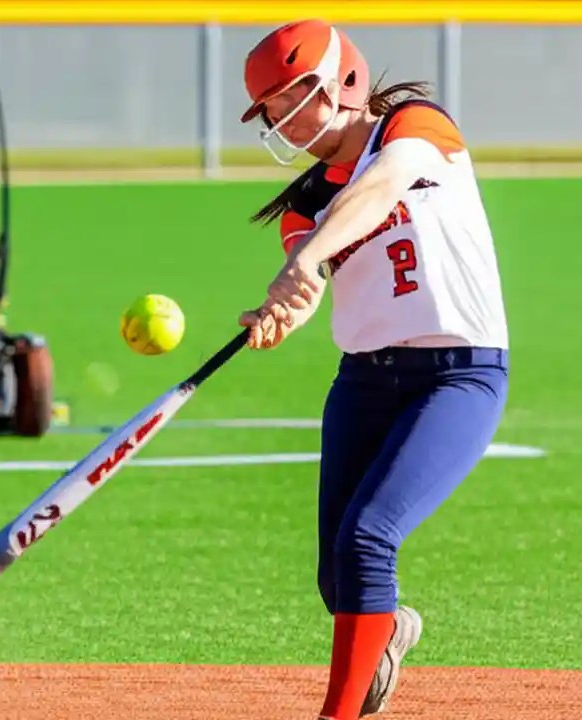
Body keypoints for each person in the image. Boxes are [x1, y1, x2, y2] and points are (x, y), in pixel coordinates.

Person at [235, 19, 511, 720]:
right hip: (363, 381)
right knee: (339, 577)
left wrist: (309, 256)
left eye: (292, 99)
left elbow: (381, 187)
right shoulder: (303, 202)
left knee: (368, 537)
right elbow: (310, 281)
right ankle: (386, 631)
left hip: (458, 373)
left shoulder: (414, 128)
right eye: (271, 109)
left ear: (341, 81)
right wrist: (280, 309)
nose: (283, 119)